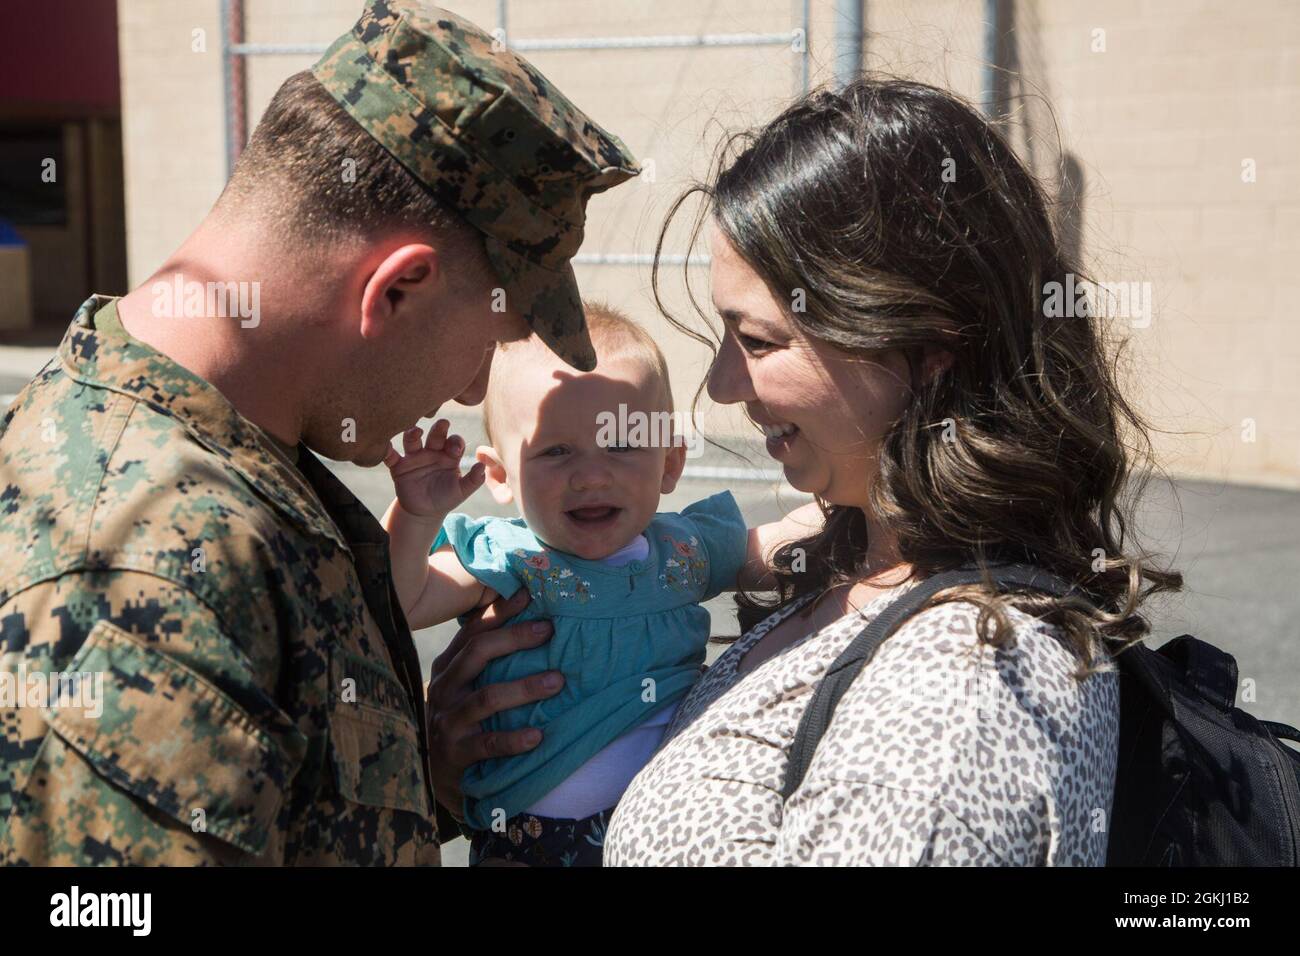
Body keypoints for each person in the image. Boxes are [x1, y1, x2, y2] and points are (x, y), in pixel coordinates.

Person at [428, 76, 1182, 866]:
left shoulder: (960, 696)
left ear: (922, 351)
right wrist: (469, 783)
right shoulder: (855, 559)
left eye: (757, 342)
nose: (721, 386)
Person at [0, 1, 637, 865]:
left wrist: (423, 779)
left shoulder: (239, 442)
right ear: (397, 290)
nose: (471, 389)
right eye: (487, 344)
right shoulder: (133, 567)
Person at [382, 303, 817, 865]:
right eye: (556, 451)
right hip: (527, 840)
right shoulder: (510, 558)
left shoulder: (682, 551)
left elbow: (784, 541)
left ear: (669, 463)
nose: (590, 475)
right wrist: (415, 519)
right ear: (499, 474)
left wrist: (891, 491)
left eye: (622, 444)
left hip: (665, 828)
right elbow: (404, 601)